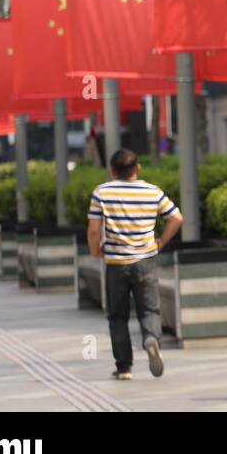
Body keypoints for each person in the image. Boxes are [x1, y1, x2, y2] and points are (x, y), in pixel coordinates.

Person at [87, 148, 183, 380]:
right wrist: (161, 242)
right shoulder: (152, 191)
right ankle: (151, 337)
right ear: (137, 168)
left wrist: (95, 252)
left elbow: (93, 230)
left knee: (118, 316)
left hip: (116, 263)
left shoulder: (102, 192)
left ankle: (124, 368)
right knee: (149, 309)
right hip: (145, 261)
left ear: (112, 171)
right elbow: (176, 217)